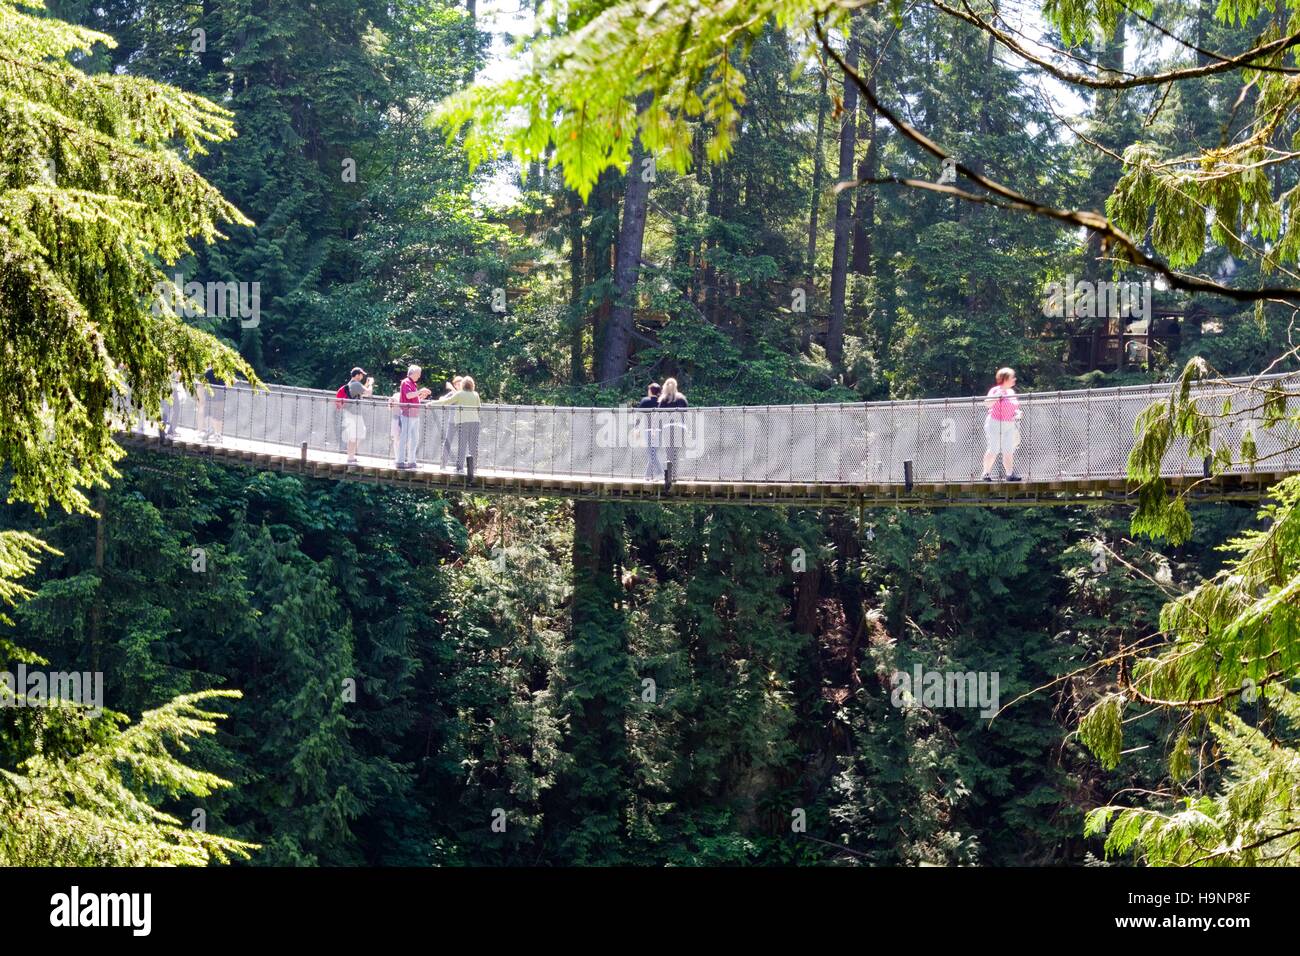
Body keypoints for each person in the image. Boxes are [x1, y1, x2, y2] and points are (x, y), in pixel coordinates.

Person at [982, 367, 1022, 481]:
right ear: (1005, 379)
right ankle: (986, 473)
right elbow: (987, 404)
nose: (1014, 379)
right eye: (1012, 377)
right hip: (994, 423)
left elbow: (1014, 407)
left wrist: (1017, 413)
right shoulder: (995, 390)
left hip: (1009, 424)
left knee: (1008, 450)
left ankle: (1010, 474)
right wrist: (996, 397)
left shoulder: (1011, 392)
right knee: (993, 449)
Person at [436, 375, 482, 474]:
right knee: (473, 445)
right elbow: (479, 407)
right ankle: (474, 468)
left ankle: (460, 467)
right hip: (475, 422)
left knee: (462, 444)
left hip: (463, 422)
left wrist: (431, 403)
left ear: (463, 384)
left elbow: (445, 401)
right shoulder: (476, 394)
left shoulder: (459, 394)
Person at [395, 365, 431, 469]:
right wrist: (420, 390)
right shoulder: (406, 382)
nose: (419, 376)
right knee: (404, 438)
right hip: (408, 414)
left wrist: (421, 396)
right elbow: (408, 396)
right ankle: (400, 461)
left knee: (415, 438)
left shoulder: (412, 383)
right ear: (413, 373)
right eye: (418, 373)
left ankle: (412, 461)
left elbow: (413, 397)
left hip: (414, 414)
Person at [339, 367, 374, 464]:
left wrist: (366, 385)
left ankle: (351, 455)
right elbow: (369, 393)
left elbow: (363, 393)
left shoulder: (352, 384)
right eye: (362, 374)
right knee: (354, 435)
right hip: (353, 414)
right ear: (357, 375)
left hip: (352, 414)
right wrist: (371, 384)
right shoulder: (356, 384)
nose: (362, 376)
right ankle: (350, 457)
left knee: (359, 434)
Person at [658, 377, 688, 478]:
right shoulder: (681, 399)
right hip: (679, 428)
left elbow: (659, 416)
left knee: (669, 452)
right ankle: (674, 474)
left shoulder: (663, 400)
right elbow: (685, 414)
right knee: (676, 452)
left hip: (667, 428)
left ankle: (669, 474)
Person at [636, 382, 662, 479]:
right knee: (653, 453)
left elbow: (638, 416)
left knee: (651, 453)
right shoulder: (661, 402)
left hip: (649, 430)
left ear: (650, 391)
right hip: (659, 430)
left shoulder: (645, 401)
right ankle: (647, 476)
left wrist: (636, 427)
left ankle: (660, 473)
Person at [438, 375, 465, 467]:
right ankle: (443, 464)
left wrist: (452, 388)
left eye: (459, 384)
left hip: (462, 422)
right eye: (456, 384)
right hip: (452, 422)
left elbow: (461, 398)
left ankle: (460, 465)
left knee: (462, 443)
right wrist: (449, 395)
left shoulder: (465, 393)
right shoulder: (453, 393)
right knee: (447, 441)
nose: (458, 386)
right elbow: (441, 399)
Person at [198, 367, 226, 443]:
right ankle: (217, 433)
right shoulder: (223, 371)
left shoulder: (208, 372)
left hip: (210, 396)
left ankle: (210, 430)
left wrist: (201, 396)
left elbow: (201, 383)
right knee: (218, 416)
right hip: (220, 397)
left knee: (209, 414)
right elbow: (231, 382)